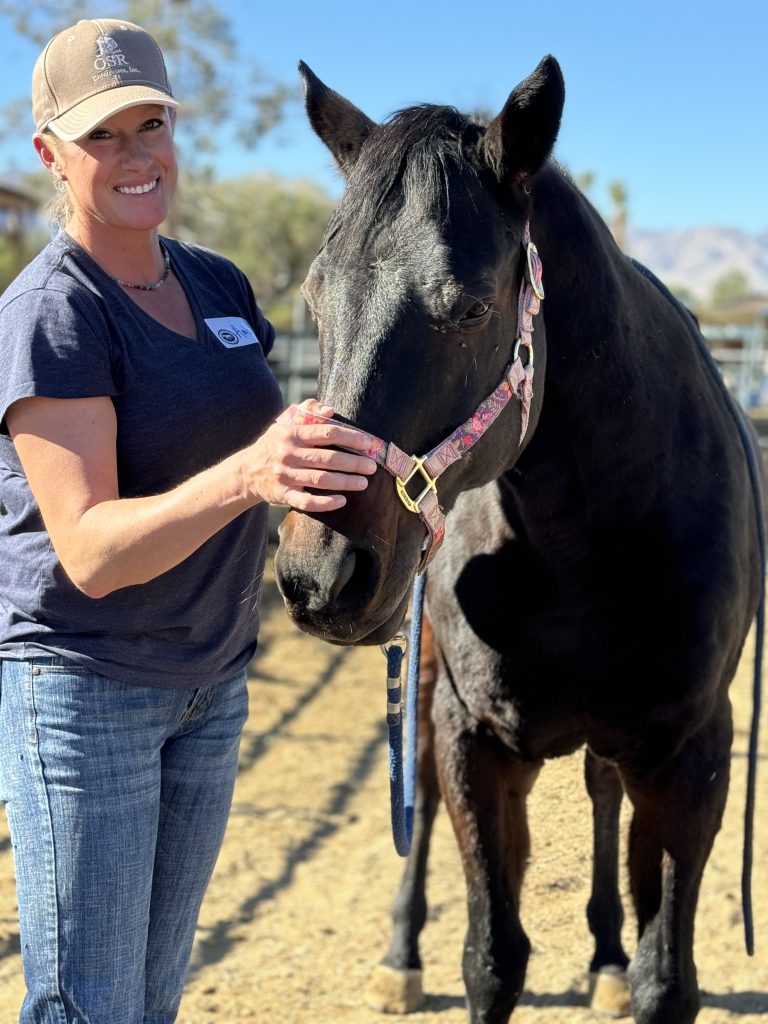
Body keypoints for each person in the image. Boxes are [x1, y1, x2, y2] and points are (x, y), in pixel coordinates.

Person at [0, 17, 376, 1024]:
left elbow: (280, 454)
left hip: (211, 683)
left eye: (151, 124)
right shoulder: (54, 312)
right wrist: (253, 472)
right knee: (89, 1005)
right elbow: (88, 552)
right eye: (103, 136)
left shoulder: (216, 284)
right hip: (90, 690)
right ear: (50, 156)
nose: (136, 155)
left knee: (153, 1001)